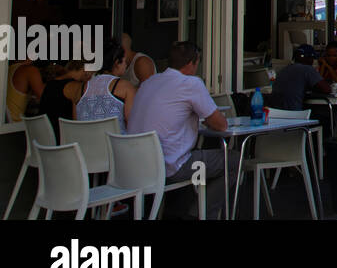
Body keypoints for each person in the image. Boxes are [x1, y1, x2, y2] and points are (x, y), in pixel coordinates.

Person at [128, 41, 227, 219]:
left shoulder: (150, 82)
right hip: (170, 168)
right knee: (233, 160)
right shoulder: (190, 84)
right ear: (191, 63)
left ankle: (188, 207)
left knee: (195, 155)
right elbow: (221, 125)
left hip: (138, 165)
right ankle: (199, 214)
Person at [76, 41, 136, 127]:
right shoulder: (126, 87)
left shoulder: (81, 89)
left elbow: (77, 124)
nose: (126, 64)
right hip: (114, 140)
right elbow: (133, 124)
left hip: (86, 140)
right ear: (116, 62)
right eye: (124, 61)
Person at [270, 44, 330, 111]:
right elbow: (326, 89)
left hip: (276, 115)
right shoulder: (307, 69)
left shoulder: (284, 70)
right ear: (310, 58)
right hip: (295, 115)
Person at [38, 61, 90, 128]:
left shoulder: (50, 84)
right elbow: (77, 121)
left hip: (45, 132)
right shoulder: (75, 87)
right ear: (85, 69)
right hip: (63, 134)